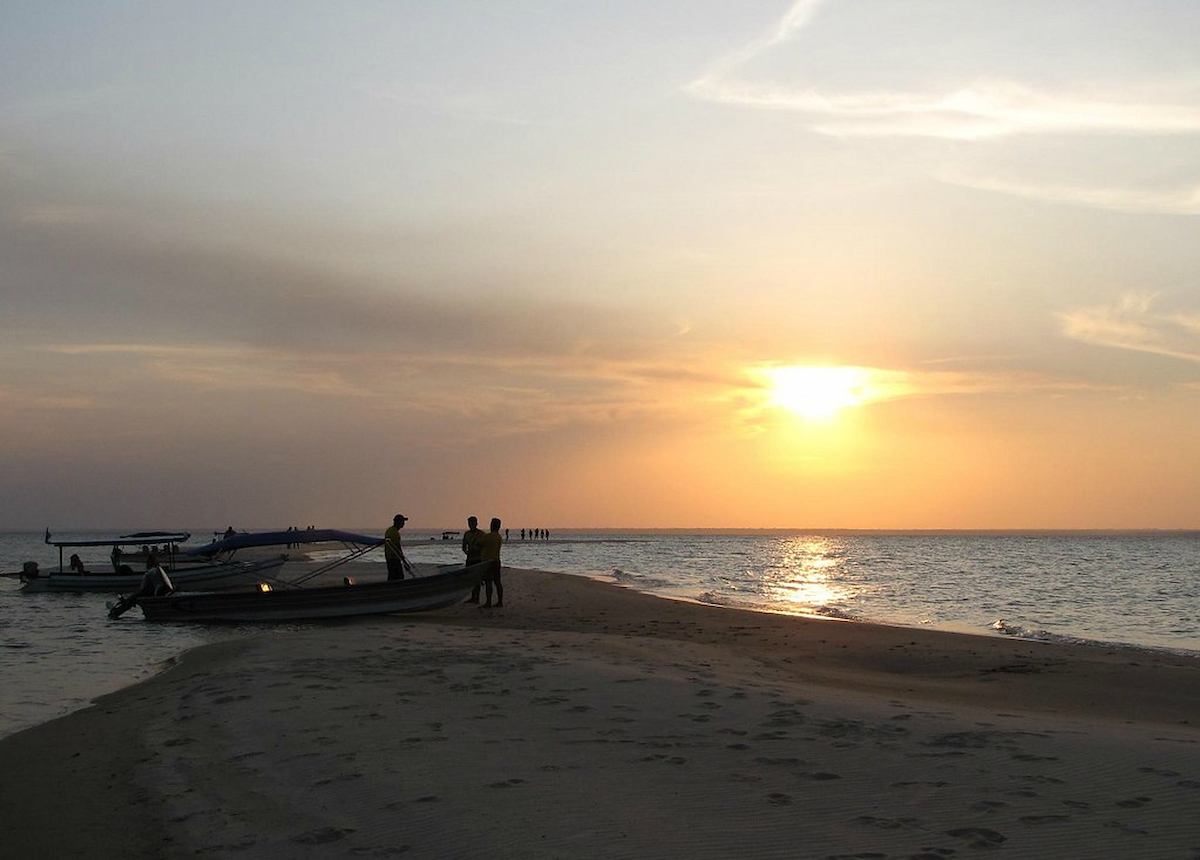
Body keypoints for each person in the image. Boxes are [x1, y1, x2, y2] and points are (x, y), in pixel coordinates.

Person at [479, 517, 504, 608]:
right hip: (496, 560)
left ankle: (488, 602)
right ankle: (500, 601)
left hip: (487, 562)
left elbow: (479, 543)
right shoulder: (499, 537)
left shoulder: (487, 536)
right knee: (497, 582)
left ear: (492, 526)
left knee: (488, 582)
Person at [461, 516, 485, 603]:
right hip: (470, 559)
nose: (471, 525)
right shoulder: (467, 534)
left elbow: (484, 546)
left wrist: (478, 550)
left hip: (478, 559)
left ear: (476, 523)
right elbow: (464, 546)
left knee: (477, 579)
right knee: (470, 579)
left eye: (473, 523)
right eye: (470, 523)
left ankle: (477, 597)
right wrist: (467, 552)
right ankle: (472, 597)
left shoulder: (481, 534)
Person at [384, 514, 414, 580]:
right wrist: (404, 561)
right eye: (402, 522)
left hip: (388, 557)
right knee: (398, 577)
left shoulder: (389, 530)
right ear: (398, 522)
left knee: (392, 575)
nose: (403, 523)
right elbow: (397, 548)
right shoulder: (395, 533)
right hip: (394, 557)